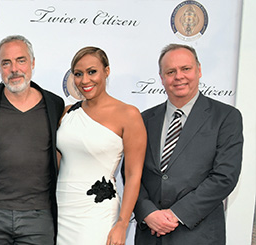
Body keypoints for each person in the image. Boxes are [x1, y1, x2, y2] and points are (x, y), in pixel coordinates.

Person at [134, 44, 242, 244]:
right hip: (150, 234)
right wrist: (147, 211)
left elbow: (225, 176)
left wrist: (176, 214)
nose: (179, 76)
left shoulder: (226, 117)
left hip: (199, 235)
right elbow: (131, 173)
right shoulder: (144, 119)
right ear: (161, 77)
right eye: (170, 72)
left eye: (186, 69)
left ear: (198, 70)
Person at [0, 35, 64, 245]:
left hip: (39, 217)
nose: (14, 69)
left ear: (32, 63)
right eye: (6, 63)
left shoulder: (54, 104)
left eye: (21, 60)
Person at [55, 47, 146, 245]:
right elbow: (56, 163)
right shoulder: (67, 113)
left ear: (106, 71)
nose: (85, 80)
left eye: (92, 72)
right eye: (78, 74)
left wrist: (122, 224)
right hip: (61, 209)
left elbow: (133, 175)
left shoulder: (129, 115)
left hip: (97, 213)